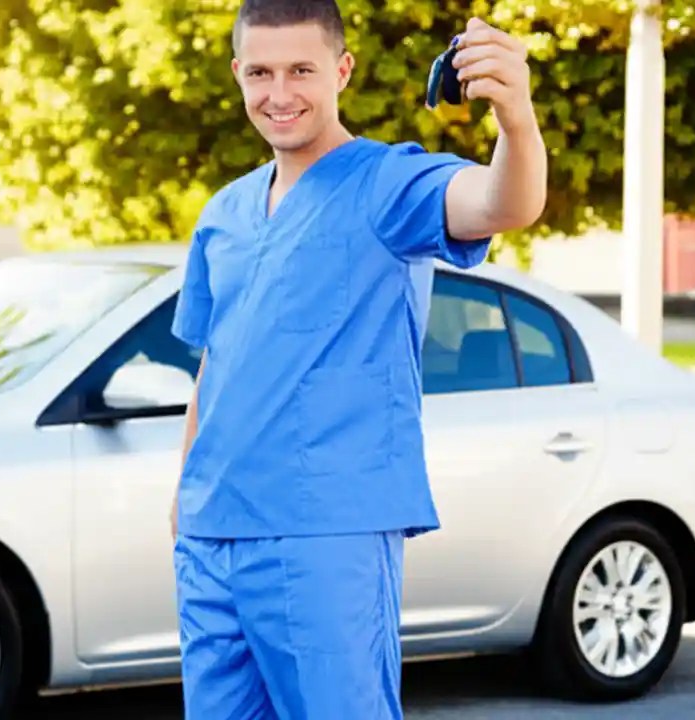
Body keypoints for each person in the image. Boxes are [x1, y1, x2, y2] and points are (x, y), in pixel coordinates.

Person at [168, 1, 547, 718]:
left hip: (325, 536)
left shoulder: (386, 185)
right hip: (212, 537)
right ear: (238, 74)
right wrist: (185, 502)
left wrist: (516, 119)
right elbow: (217, 362)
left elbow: (504, 203)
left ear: (341, 71)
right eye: (261, 73)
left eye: (301, 70)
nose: (280, 93)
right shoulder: (224, 214)